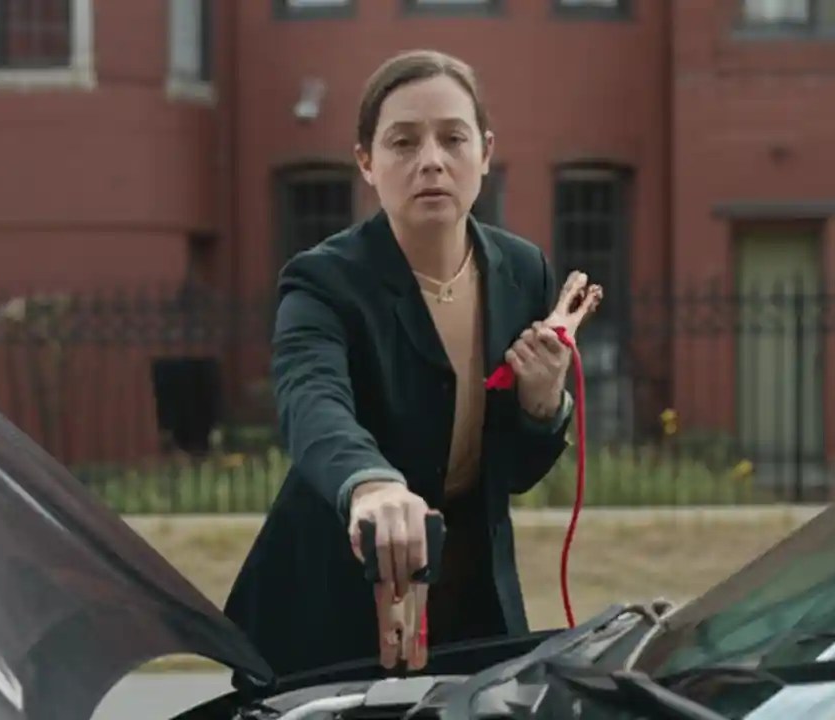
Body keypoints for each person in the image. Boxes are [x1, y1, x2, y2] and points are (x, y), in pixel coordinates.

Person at [223, 48, 598, 681]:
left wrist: (541, 405)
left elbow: (514, 474)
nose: (431, 160)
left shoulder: (523, 270)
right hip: (328, 615)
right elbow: (311, 399)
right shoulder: (323, 280)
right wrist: (369, 485)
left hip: (470, 608)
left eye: (453, 138)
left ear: (484, 151)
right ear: (366, 162)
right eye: (403, 142)